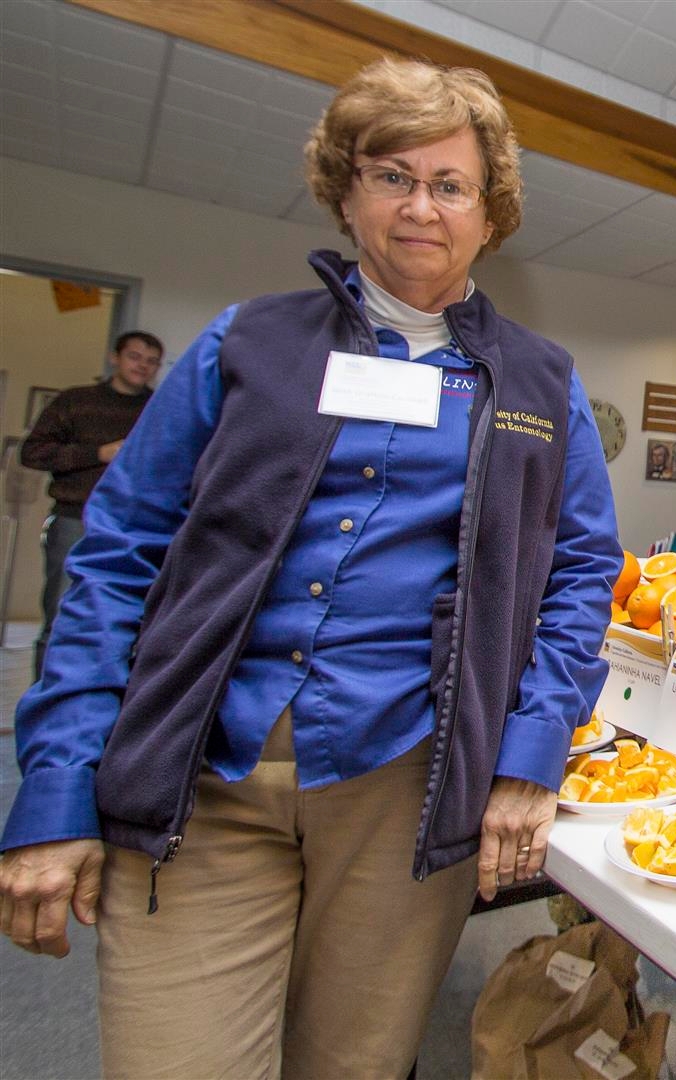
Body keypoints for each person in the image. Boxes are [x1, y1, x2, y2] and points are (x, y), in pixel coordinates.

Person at [0, 58, 621, 1077]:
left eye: (451, 184)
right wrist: (57, 786)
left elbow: (580, 569)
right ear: (346, 190)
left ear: (490, 211)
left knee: (355, 1065)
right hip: (201, 776)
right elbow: (115, 558)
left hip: (406, 785)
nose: (422, 205)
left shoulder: (539, 384)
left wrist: (529, 751)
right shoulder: (244, 345)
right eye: (391, 175)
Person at [20, 330, 163, 676]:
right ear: (115, 357)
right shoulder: (75, 401)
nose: (141, 366)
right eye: (134, 356)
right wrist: (98, 453)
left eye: (151, 361)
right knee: (61, 614)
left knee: (129, 621)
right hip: (75, 520)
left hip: (135, 527)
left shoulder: (159, 408)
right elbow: (33, 452)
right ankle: (46, 707)